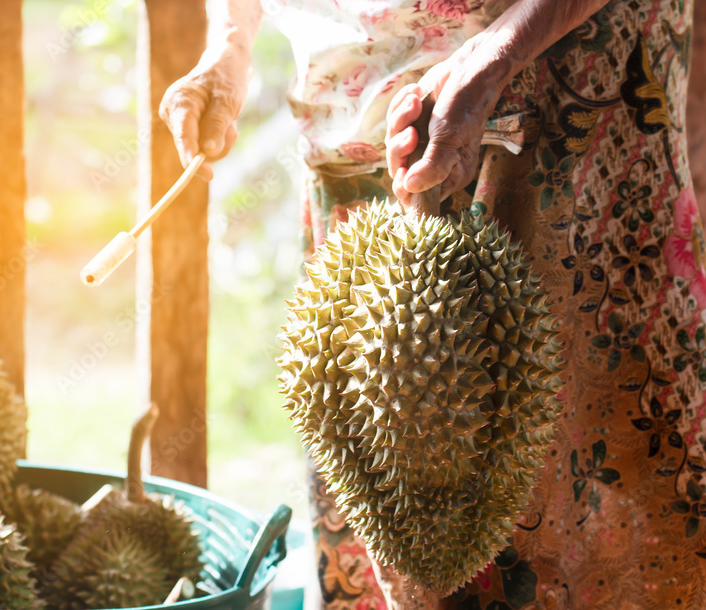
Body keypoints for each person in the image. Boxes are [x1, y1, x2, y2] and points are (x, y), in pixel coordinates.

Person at [160, 0, 706, 608]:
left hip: (551, 97)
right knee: (389, 520)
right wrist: (228, 50)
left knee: (583, 516)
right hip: (348, 120)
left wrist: (498, 51)